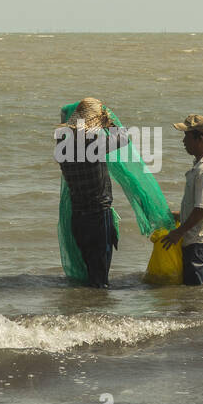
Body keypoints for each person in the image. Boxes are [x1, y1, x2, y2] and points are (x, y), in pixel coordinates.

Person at [54, 98, 133, 288]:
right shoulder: (93, 146)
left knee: (90, 270)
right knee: (100, 277)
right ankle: (97, 311)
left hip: (78, 218)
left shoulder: (61, 147)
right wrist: (109, 121)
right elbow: (124, 137)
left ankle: (87, 309)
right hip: (98, 217)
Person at [161, 114, 203, 285]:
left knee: (191, 295)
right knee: (197, 294)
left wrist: (179, 232)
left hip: (198, 243)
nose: (183, 141)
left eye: (186, 136)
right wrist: (179, 215)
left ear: (200, 138)